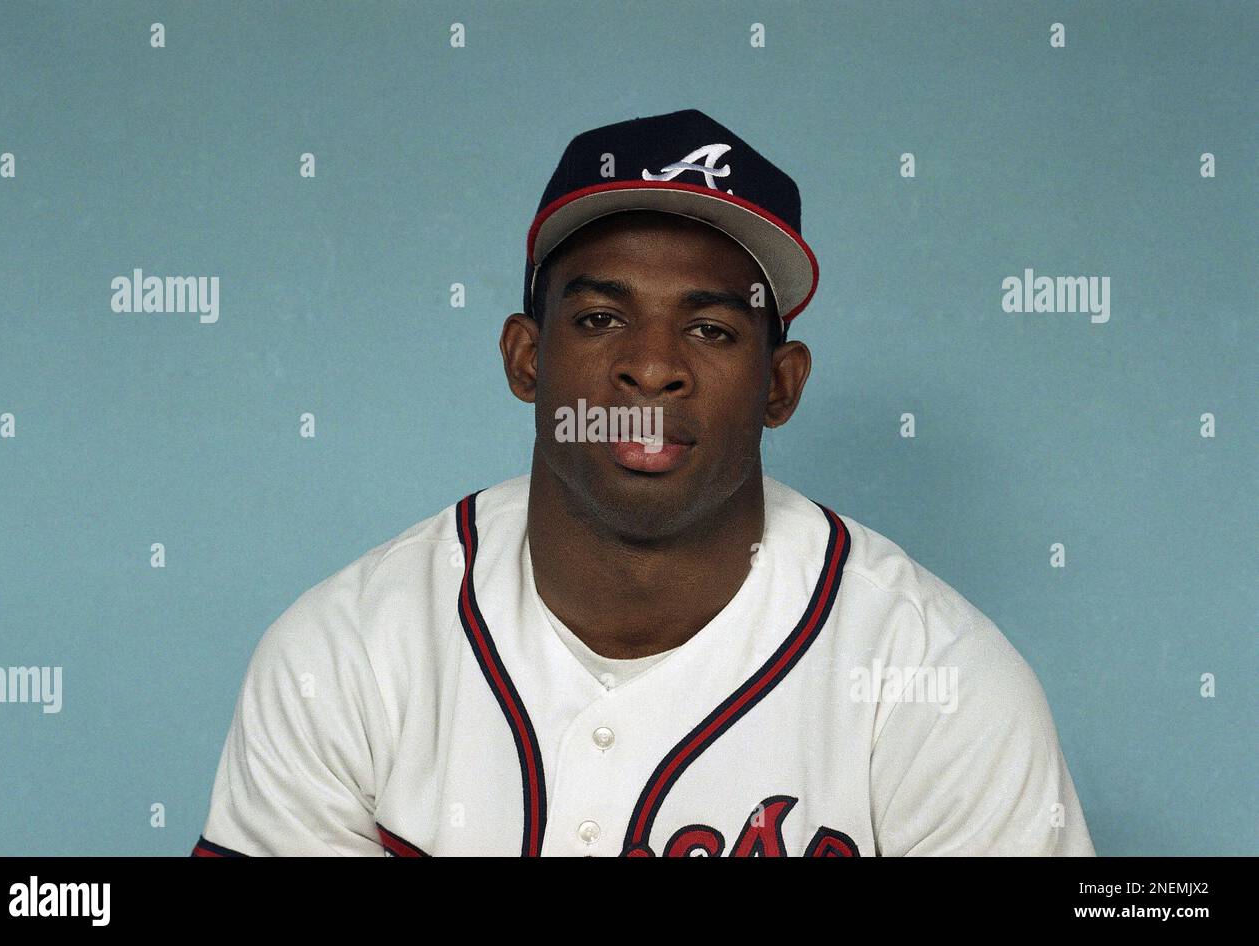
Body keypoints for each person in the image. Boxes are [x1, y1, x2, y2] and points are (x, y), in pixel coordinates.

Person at [193, 108, 1094, 857]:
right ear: (526, 357)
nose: (651, 368)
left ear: (780, 385)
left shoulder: (939, 685)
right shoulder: (344, 657)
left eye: (711, 329)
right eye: (598, 318)